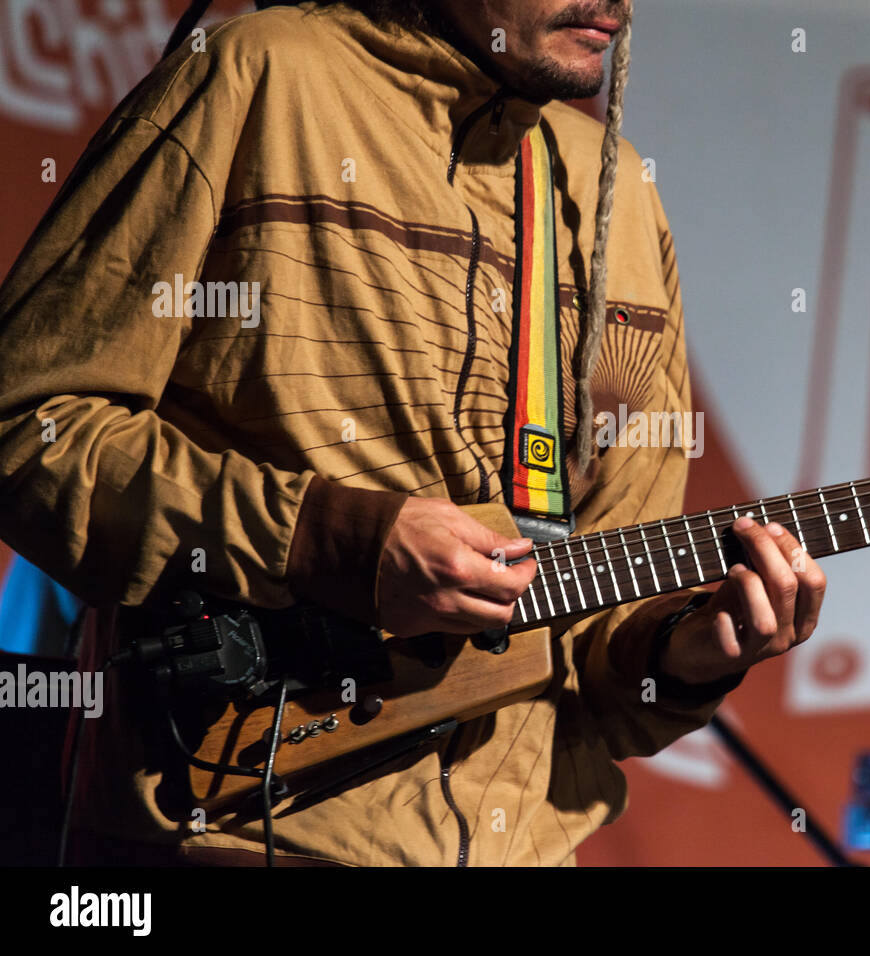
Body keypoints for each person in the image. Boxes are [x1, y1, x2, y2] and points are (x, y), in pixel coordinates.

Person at [0, 0, 827, 866]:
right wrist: (329, 541)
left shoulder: (610, 186)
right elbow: (32, 428)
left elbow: (594, 660)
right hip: (239, 836)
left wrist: (685, 652)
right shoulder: (261, 72)